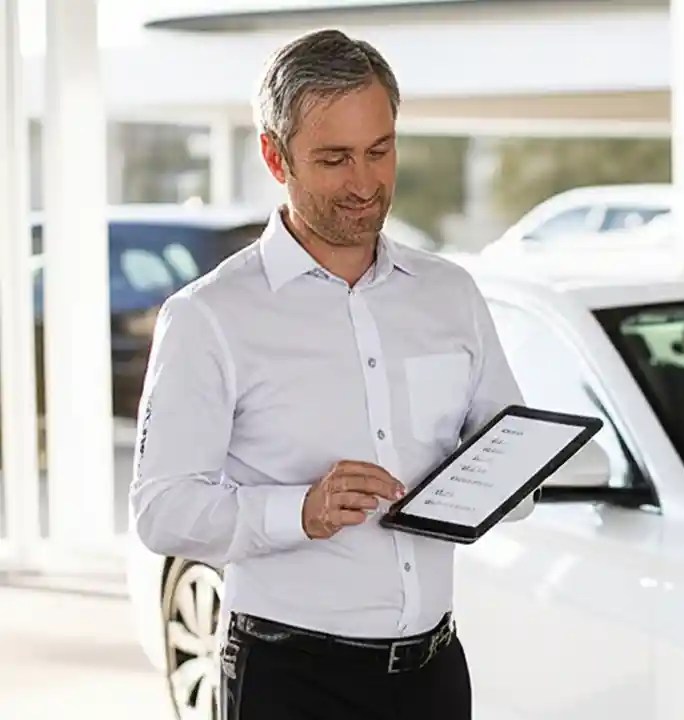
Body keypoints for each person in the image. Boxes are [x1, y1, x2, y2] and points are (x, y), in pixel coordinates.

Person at [129, 28, 532, 720]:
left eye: (380, 150)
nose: (366, 183)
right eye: (335, 159)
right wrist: (300, 511)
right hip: (292, 679)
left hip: (434, 674)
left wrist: (501, 478)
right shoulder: (210, 317)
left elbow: (513, 471)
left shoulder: (450, 294)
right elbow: (160, 510)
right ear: (273, 155)